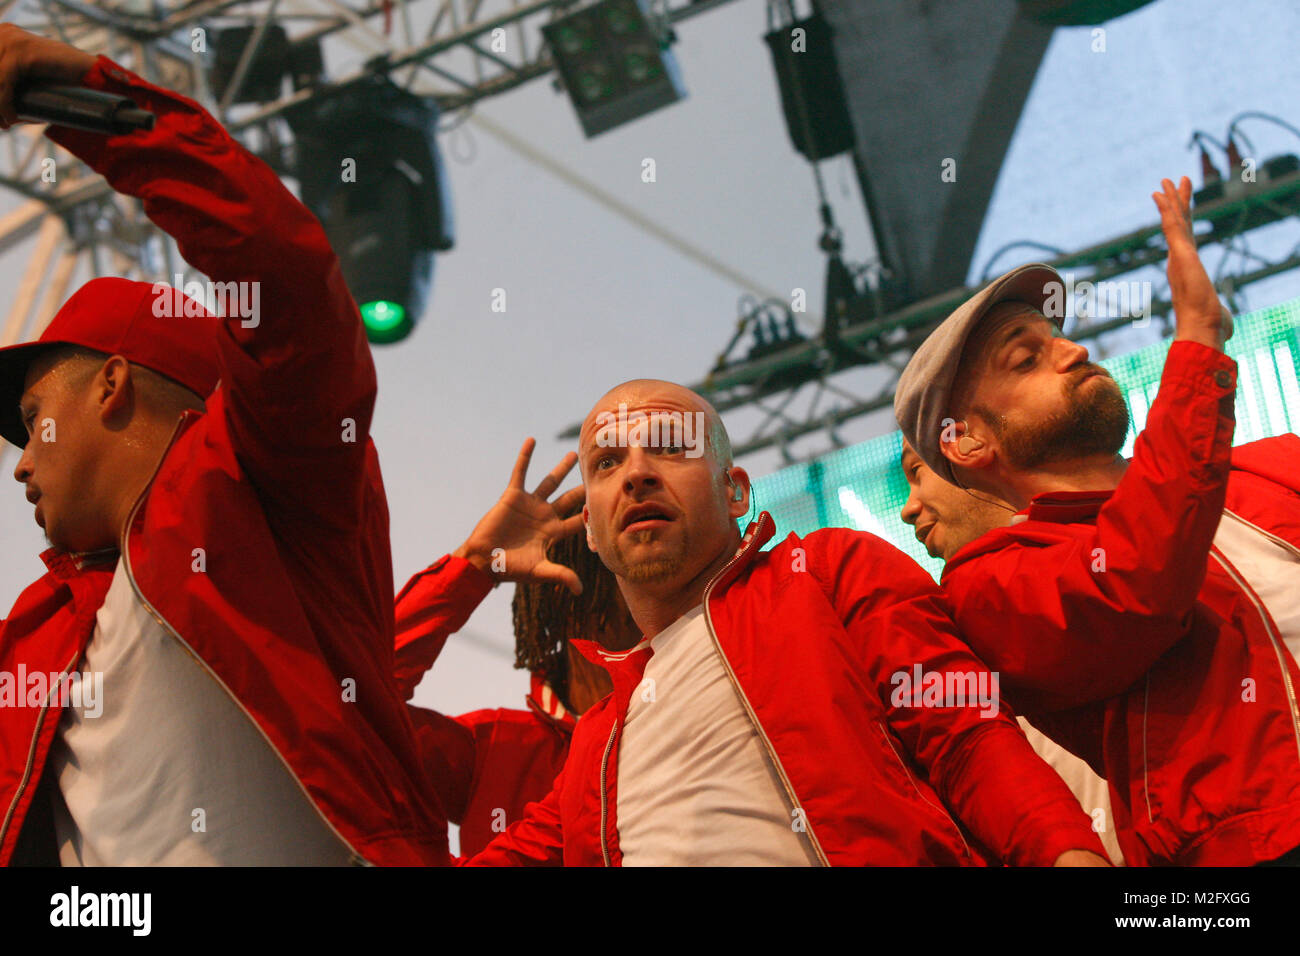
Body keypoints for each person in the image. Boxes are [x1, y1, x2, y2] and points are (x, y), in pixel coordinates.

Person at [0, 26, 445, 865]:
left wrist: (98, 106)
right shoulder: (31, 638)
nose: (20, 461)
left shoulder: (269, 490)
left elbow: (286, 281)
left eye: (32, 419)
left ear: (113, 383)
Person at [464, 379, 1111, 865]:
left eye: (669, 449)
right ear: (592, 534)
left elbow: (964, 736)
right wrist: (466, 573)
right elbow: (366, 764)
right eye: (607, 463)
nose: (636, 473)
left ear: (735, 491)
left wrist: (1065, 854)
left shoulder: (826, 571)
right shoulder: (598, 748)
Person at [894, 176, 1300, 866]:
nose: (1074, 350)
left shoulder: (1262, 468)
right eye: (1026, 357)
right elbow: (1138, 583)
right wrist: (1198, 342)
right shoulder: (990, 585)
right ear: (969, 442)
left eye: (1058, 338)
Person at [392, 439, 640, 856]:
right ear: (565, 593)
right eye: (623, 567)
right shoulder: (492, 747)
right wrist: (471, 566)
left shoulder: (708, 723)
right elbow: (344, 707)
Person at [899, 439, 1123, 865]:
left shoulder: (1126, 550)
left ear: (974, 448)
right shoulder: (942, 650)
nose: (908, 508)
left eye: (916, 471)